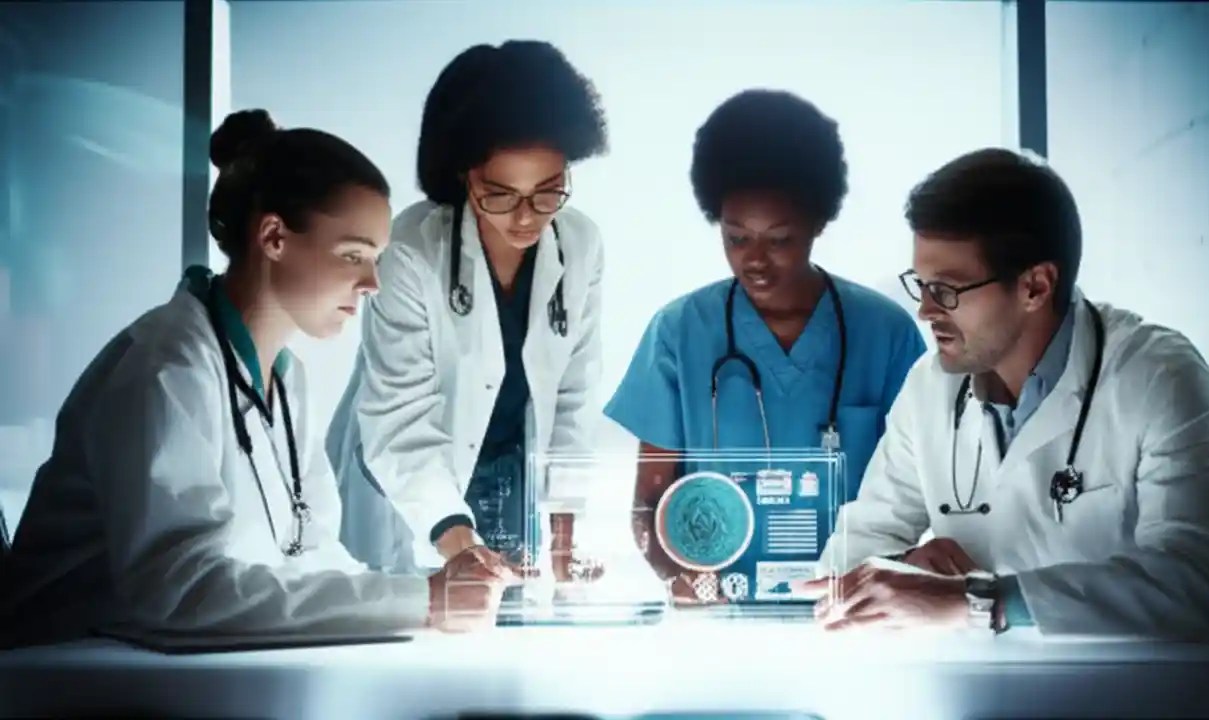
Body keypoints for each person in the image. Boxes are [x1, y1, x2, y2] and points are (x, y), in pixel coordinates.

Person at [0, 110, 496, 647]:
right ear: (274, 236)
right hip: (52, 672)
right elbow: (181, 589)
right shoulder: (167, 369)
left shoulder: (285, 379)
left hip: (152, 667)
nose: (372, 282)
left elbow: (311, 558)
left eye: (375, 258)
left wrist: (430, 594)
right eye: (353, 255)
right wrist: (421, 600)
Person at [809, 148, 1209, 641]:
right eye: (922, 285)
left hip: (1132, 695)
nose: (926, 311)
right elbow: (847, 558)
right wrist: (905, 565)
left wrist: (982, 601)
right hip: (984, 691)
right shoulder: (930, 387)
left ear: (1035, 286)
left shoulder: (1157, 378)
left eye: (948, 290)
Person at [605, 89, 926, 604]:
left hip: (853, 608)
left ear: (818, 224)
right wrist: (678, 579)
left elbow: (919, 495)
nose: (755, 260)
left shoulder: (885, 333)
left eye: (779, 240)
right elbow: (650, 500)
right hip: (718, 609)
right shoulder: (679, 331)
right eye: (736, 238)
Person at [327, 40, 609, 604]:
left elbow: (573, 399)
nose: (527, 216)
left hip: (514, 479)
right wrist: (456, 543)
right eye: (500, 194)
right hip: (412, 492)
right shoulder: (408, 251)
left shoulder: (579, 243)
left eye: (549, 190)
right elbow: (399, 419)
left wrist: (564, 528)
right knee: (427, 625)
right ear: (463, 177)